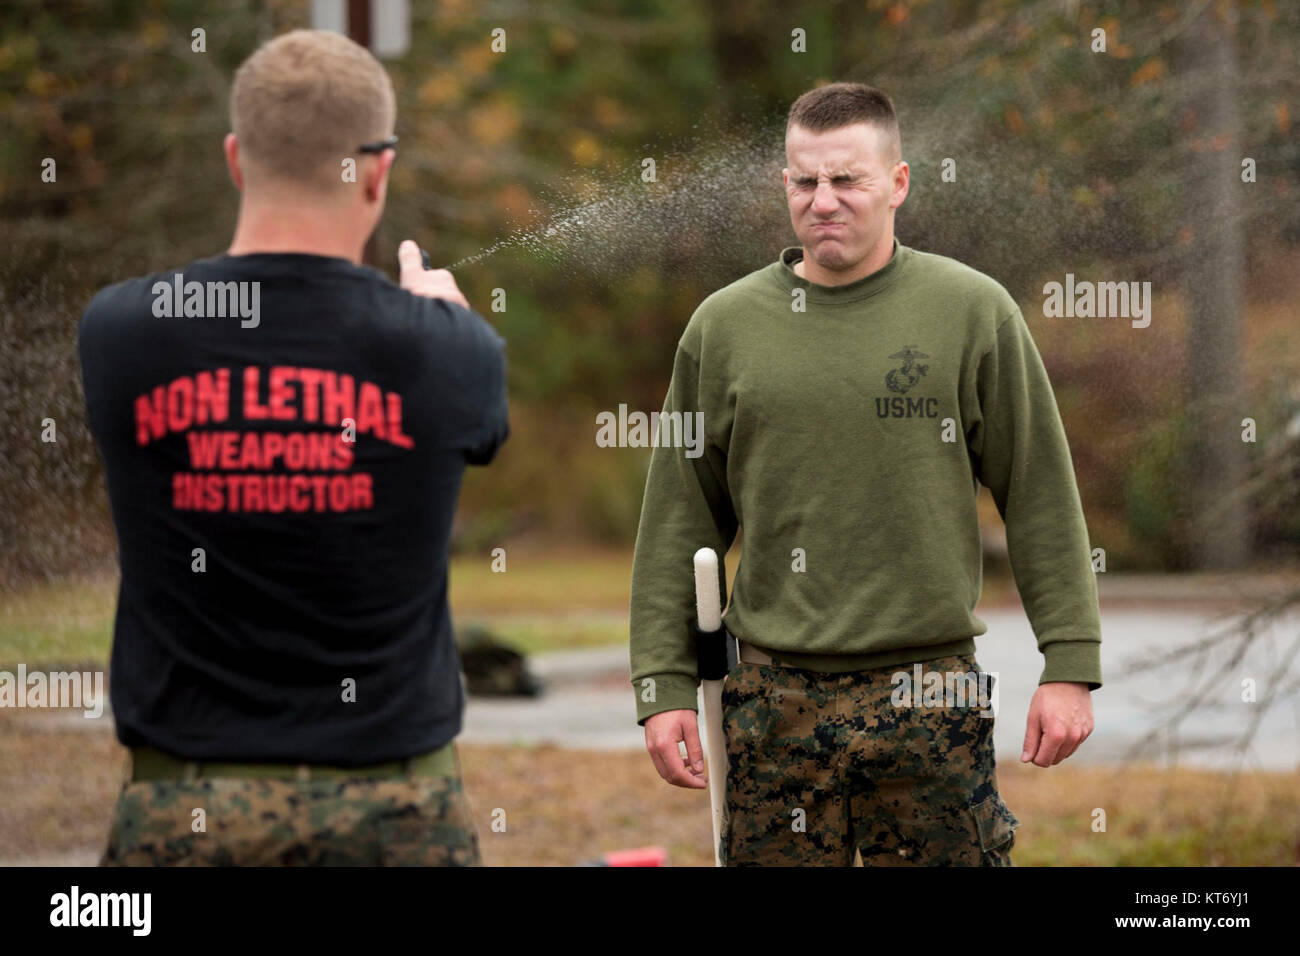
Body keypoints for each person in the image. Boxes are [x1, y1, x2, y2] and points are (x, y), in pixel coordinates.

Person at [630, 82, 1100, 866]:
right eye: (805, 180)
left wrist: (1072, 665)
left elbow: (1042, 494)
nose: (824, 200)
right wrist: (663, 683)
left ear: (898, 183)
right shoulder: (724, 327)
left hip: (932, 693)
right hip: (771, 703)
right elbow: (679, 518)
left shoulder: (972, 312)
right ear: (785, 184)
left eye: (847, 179)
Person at [79, 29, 508, 866]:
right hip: (401, 819)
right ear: (378, 170)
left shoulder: (122, 332)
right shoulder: (452, 350)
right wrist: (440, 318)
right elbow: (476, 426)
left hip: (183, 814)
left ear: (236, 158)